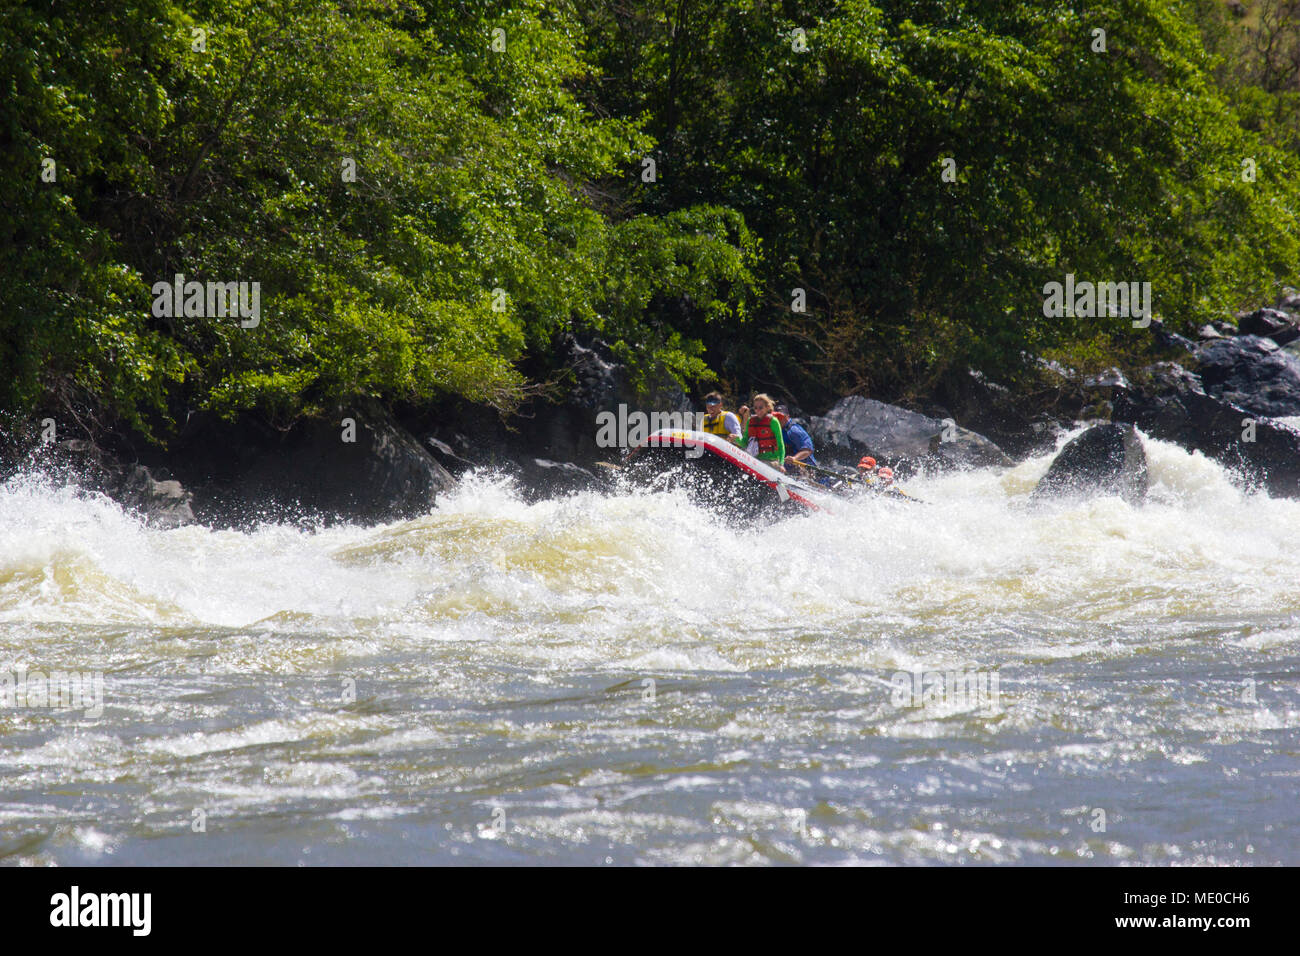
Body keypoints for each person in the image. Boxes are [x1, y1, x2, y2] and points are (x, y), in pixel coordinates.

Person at [738, 393, 785, 470]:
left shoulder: (773, 421)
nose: (757, 410)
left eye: (760, 407)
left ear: (767, 407)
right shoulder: (750, 421)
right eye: (755, 408)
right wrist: (736, 439)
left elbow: (780, 445)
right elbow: (744, 443)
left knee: (762, 465)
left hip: (771, 461)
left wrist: (781, 464)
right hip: (755, 460)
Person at [774, 403, 818, 472]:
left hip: (806, 469)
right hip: (788, 468)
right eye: (776, 417)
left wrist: (794, 458)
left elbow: (808, 450)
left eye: (781, 417)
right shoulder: (775, 429)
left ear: (787, 417)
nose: (778, 419)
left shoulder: (794, 430)